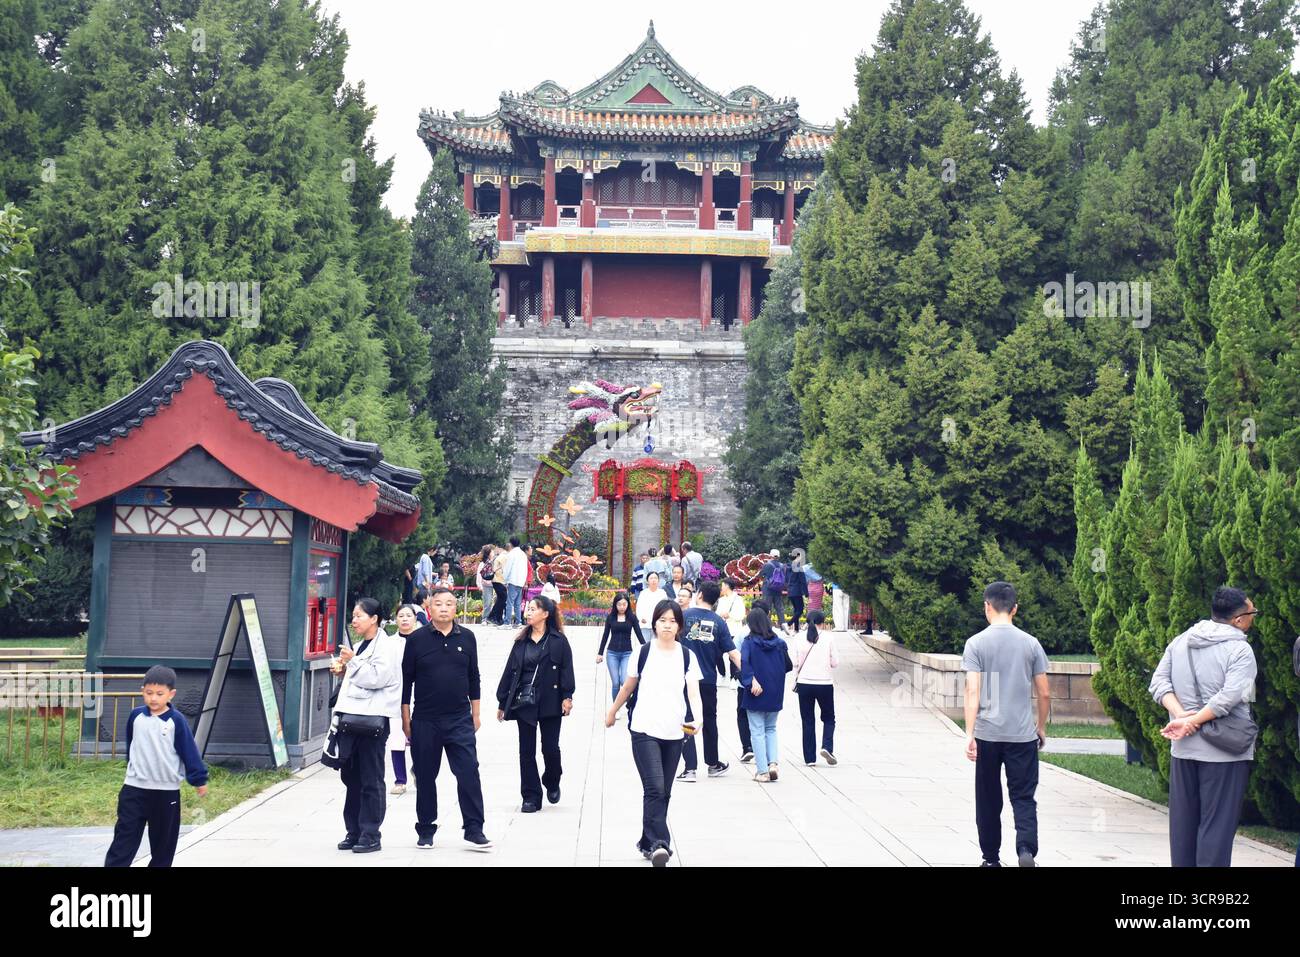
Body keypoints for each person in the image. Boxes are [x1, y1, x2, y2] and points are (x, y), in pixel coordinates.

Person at [1149, 586, 1260, 868]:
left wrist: (1180, 717)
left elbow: (1159, 683)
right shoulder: (1241, 650)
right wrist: (1190, 721)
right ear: (1238, 619)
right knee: (1217, 829)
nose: (1253, 617)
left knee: (1183, 829)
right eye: (1252, 613)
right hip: (1224, 753)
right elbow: (1227, 699)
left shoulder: (1182, 640)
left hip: (1184, 749)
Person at [605, 600, 703, 867]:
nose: (667, 625)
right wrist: (612, 711)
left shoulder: (687, 656)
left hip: (674, 732)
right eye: (663, 620)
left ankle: (647, 842)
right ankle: (661, 843)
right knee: (655, 786)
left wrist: (699, 719)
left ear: (679, 625)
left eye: (672, 621)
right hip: (644, 729)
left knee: (664, 791)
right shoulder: (643, 652)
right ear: (655, 623)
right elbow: (627, 687)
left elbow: (693, 692)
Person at [962, 581, 1049, 867]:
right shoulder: (1031, 643)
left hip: (987, 734)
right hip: (1022, 736)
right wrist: (1041, 727)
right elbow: (1044, 692)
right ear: (1015, 609)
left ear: (987, 606)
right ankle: (1025, 850)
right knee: (1024, 796)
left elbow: (973, 691)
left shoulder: (976, 643)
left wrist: (970, 733)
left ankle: (991, 859)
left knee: (988, 799)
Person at [401, 587, 492, 851]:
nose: (443, 608)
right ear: (429, 607)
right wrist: (406, 719)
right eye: (438, 603)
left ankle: (474, 829)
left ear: (456, 608)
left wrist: (476, 712)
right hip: (425, 720)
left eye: (449, 604)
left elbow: (474, 677)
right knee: (426, 776)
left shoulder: (468, 637)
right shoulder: (417, 640)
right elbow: (406, 682)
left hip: (459, 718)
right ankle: (426, 828)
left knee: (468, 773)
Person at [104, 665, 208, 867]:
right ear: (142, 690)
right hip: (133, 790)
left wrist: (198, 779)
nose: (153, 698)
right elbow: (132, 746)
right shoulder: (136, 717)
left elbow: (189, 752)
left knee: (163, 846)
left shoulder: (176, 721)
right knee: (124, 839)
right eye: (149, 693)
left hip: (165, 793)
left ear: (171, 694)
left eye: (159, 694)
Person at [332, 598, 403, 854]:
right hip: (351, 719)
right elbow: (359, 675)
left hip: (372, 721)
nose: (354, 620)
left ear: (374, 618)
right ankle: (354, 831)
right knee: (350, 777)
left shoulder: (388, 647)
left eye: (359, 615)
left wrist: (351, 662)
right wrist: (344, 669)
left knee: (371, 778)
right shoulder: (361, 645)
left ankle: (371, 833)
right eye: (353, 615)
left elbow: (377, 678)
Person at [496, 596, 575, 812]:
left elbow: (566, 669)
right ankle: (531, 796)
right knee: (526, 751)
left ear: (545, 614)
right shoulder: (521, 641)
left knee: (550, 748)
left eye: (533, 609)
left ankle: (552, 779)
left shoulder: (558, 641)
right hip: (525, 701)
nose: (528, 612)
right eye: (527, 609)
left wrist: (567, 697)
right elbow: (510, 671)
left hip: (551, 700)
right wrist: (502, 701)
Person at [678, 581, 741, 782]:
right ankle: (713, 764)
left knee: (688, 719)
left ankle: (690, 769)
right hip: (707, 680)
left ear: (699, 595)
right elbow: (732, 654)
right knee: (709, 720)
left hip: (684, 679)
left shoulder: (683, 616)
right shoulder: (719, 622)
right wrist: (750, 675)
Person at [740, 608, 792, 782]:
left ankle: (762, 771)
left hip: (756, 691)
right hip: (774, 692)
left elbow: (744, 664)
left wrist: (751, 681)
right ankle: (773, 764)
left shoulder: (748, 643)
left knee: (757, 731)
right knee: (771, 728)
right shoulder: (779, 643)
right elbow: (788, 666)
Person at [792, 611, 838, 766]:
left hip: (804, 684)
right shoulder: (829, 638)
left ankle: (810, 758)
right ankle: (827, 746)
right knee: (829, 718)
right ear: (822, 622)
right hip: (824, 683)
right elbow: (835, 663)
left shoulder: (798, 638)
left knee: (807, 720)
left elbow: (795, 662)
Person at [388, 606, 420, 795]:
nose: (405, 619)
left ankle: (418, 770)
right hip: (396, 697)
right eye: (401, 616)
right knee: (397, 739)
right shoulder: (389, 643)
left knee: (420, 739)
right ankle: (400, 780)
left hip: (421, 696)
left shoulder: (423, 640)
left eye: (409, 616)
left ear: (415, 619)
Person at [597, 592, 646, 702]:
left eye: (624, 604)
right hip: (612, 653)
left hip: (627, 654)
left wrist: (647, 648)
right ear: (615, 605)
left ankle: (629, 703)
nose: (622, 607)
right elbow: (605, 635)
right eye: (619, 604)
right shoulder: (611, 618)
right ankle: (616, 708)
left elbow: (639, 635)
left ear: (628, 604)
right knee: (615, 682)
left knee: (624, 681)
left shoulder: (632, 618)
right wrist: (600, 653)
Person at [760, 549, 788, 629]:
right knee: (779, 608)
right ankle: (783, 625)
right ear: (778, 556)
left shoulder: (767, 565)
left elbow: (761, 575)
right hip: (778, 589)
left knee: (767, 608)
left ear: (770, 555)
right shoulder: (782, 565)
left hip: (768, 590)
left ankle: (768, 627)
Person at [503, 536, 528, 629]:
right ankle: (518, 622)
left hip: (513, 580)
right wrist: (523, 580)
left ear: (511, 543)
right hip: (520, 581)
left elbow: (507, 568)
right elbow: (525, 569)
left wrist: (505, 579)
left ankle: (507, 623)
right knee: (518, 603)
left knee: (509, 602)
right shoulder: (523, 554)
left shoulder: (511, 554)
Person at [787, 549, 809, 633]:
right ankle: (789, 624)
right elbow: (803, 581)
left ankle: (796, 629)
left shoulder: (790, 566)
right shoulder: (799, 567)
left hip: (790, 591)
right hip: (797, 592)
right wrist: (806, 593)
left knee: (796, 610)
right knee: (800, 610)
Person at [476, 545, 496, 625]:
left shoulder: (494, 562)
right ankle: (484, 619)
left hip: (495, 584)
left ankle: (491, 618)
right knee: (487, 602)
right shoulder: (483, 563)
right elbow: (479, 574)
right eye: (492, 551)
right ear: (489, 553)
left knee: (494, 603)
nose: (493, 553)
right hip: (486, 585)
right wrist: (479, 585)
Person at [490, 546, 509, 626]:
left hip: (496, 581)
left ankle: (498, 619)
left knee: (501, 599)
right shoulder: (504, 557)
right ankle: (492, 617)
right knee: (502, 599)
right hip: (499, 580)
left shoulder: (500, 557)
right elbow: (505, 570)